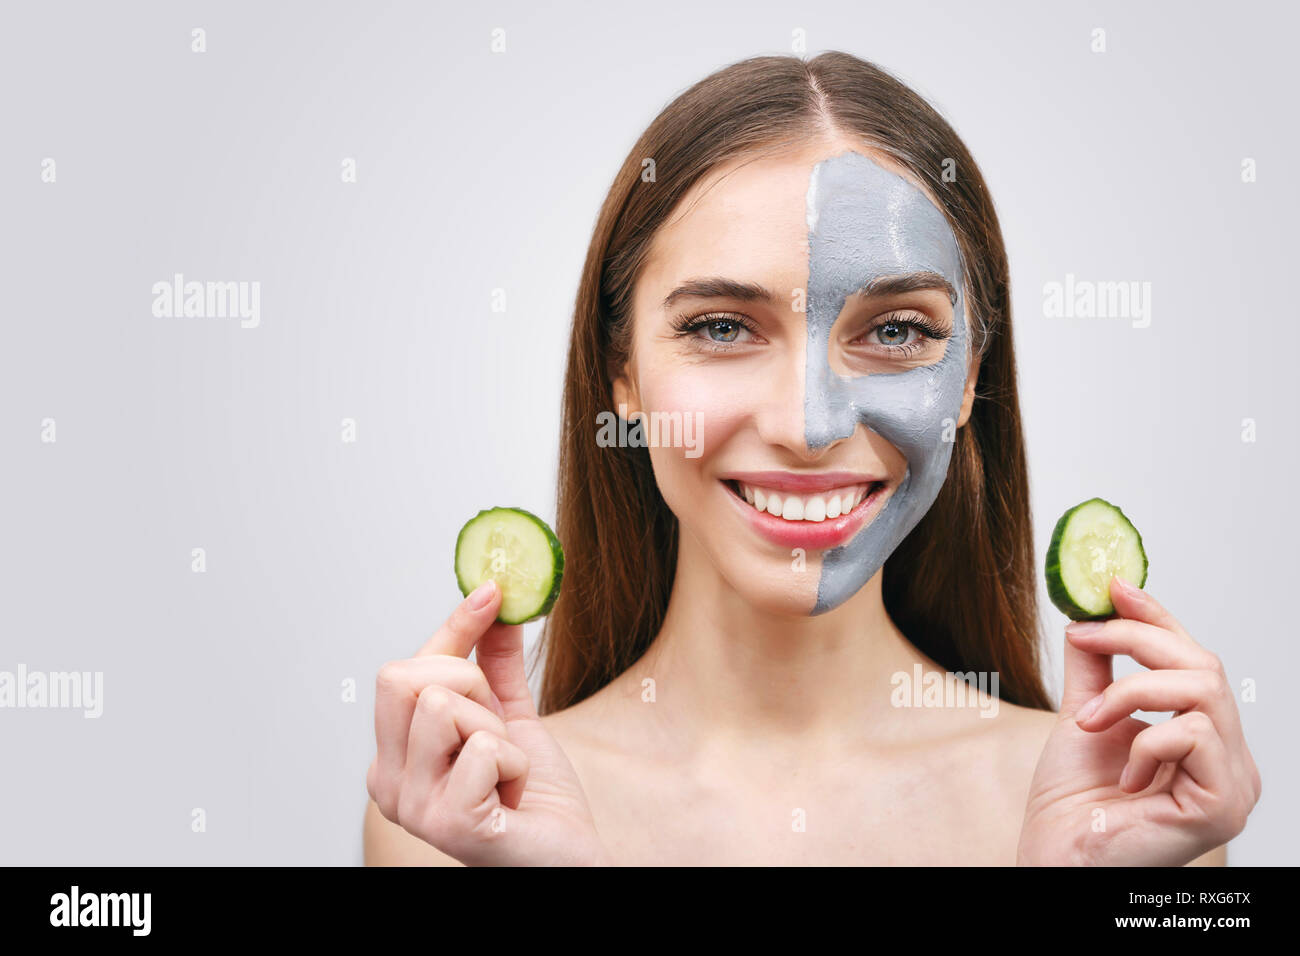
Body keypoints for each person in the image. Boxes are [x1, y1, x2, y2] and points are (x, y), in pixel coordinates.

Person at [363, 52, 1260, 866]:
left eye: (898, 330)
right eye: (721, 327)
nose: (810, 422)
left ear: (966, 379)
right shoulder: (464, 823)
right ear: (620, 375)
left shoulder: (1125, 812)